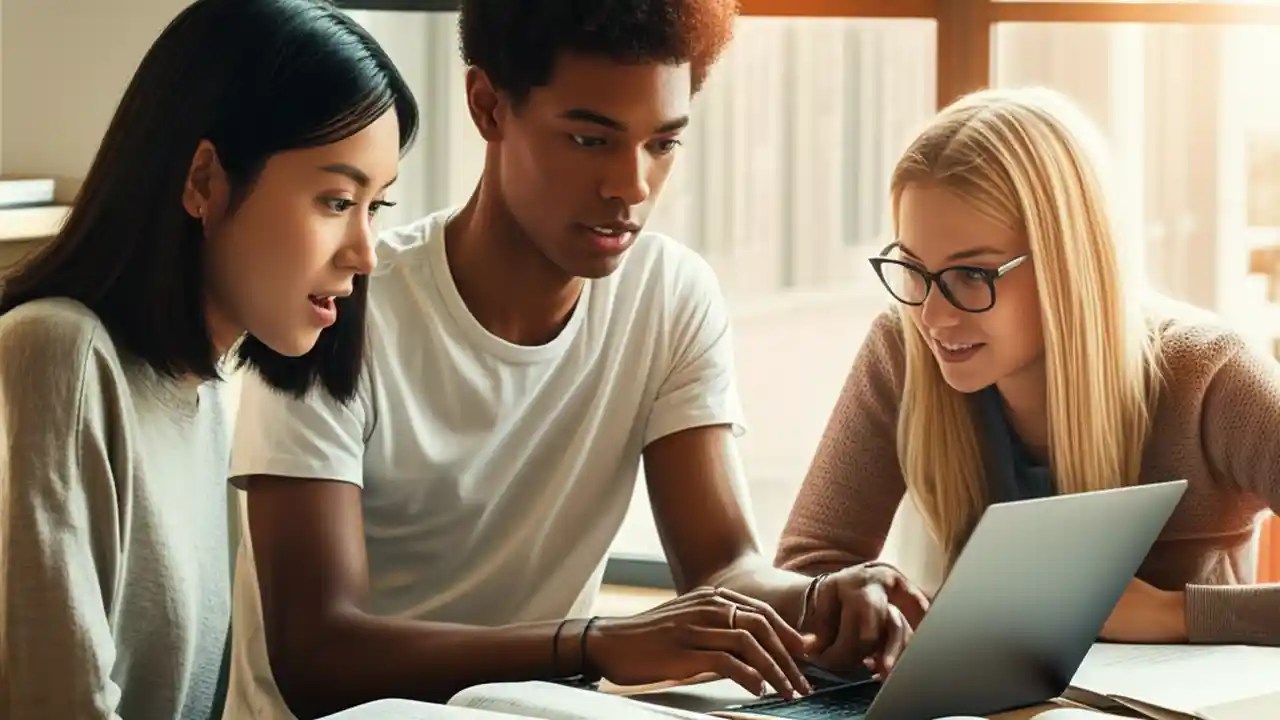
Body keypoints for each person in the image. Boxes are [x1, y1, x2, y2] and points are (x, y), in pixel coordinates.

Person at [226, 1, 927, 717]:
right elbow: (316, 656)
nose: (632, 186)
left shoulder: (668, 296)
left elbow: (721, 568)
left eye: (663, 145)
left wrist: (819, 598)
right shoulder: (333, 307)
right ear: (488, 107)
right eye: (591, 140)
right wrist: (589, 645)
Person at [0, 1, 418, 717]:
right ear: (203, 180)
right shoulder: (58, 356)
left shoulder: (203, 399)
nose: (365, 253)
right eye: (335, 199)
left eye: (375, 206)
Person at [777, 87, 1280, 654]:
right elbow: (804, 572)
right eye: (914, 270)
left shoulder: (1211, 375)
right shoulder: (902, 348)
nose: (933, 315)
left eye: (973, 275)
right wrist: (861, 609)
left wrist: (1173, 613)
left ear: (1069, 265)